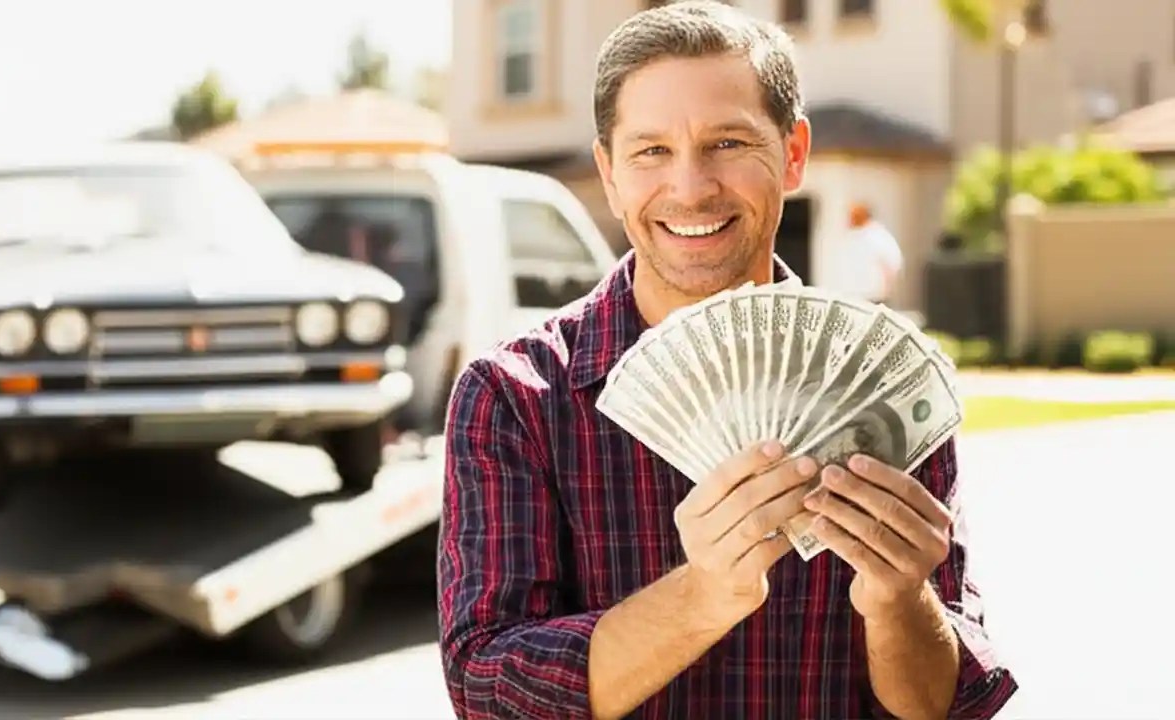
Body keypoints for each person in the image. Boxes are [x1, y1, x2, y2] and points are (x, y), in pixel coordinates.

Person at [436, 2, 1018, 718]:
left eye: (729, 143)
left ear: (794, 153)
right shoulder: (515, 396)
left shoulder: (879, 387)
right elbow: (485, 688)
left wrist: (900, 603)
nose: (690, 188)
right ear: (609, 173)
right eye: (651, 151)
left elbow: (945, 705)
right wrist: (702, 596)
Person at [827, 202, 905, 305]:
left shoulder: (878, 236)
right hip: (853, 297)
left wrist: (886, 290)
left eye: (854, 215)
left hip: (872, 297)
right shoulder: (852, 236)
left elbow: (893, 263)